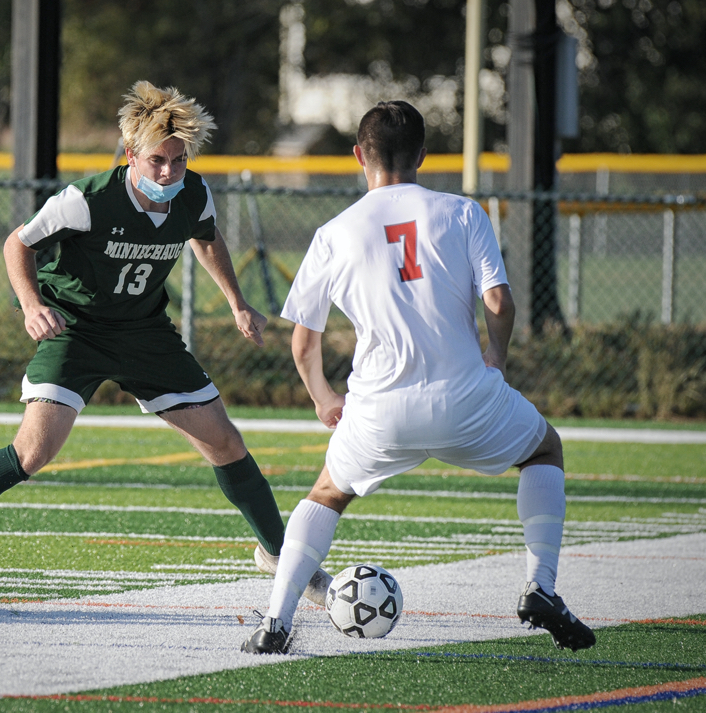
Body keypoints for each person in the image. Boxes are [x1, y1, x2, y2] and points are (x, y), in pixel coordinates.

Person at [0, 80, 330, 611]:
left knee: (226, 442)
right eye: (158, 161)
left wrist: (236, 301)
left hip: (144, 334)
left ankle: (280, 554)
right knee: (32, 452)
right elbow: (16, 244)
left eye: (178, 161)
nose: (168, 173)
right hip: (78, 330)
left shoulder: (194, 192)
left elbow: (205, 237)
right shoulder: (86, 199)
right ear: (131, 155)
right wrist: (30, 306)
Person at [241, 101, 595, 654]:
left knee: (328, 494)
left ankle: (275, 624)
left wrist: (323, 398)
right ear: (424, 156)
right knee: (544, 450)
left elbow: (304, 342)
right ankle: (540, 587)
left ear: (360, 156)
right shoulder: (462, 212)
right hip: (466, 399)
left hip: (379, 409)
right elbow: (499, 301)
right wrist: (495, 359)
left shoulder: (334, 232)